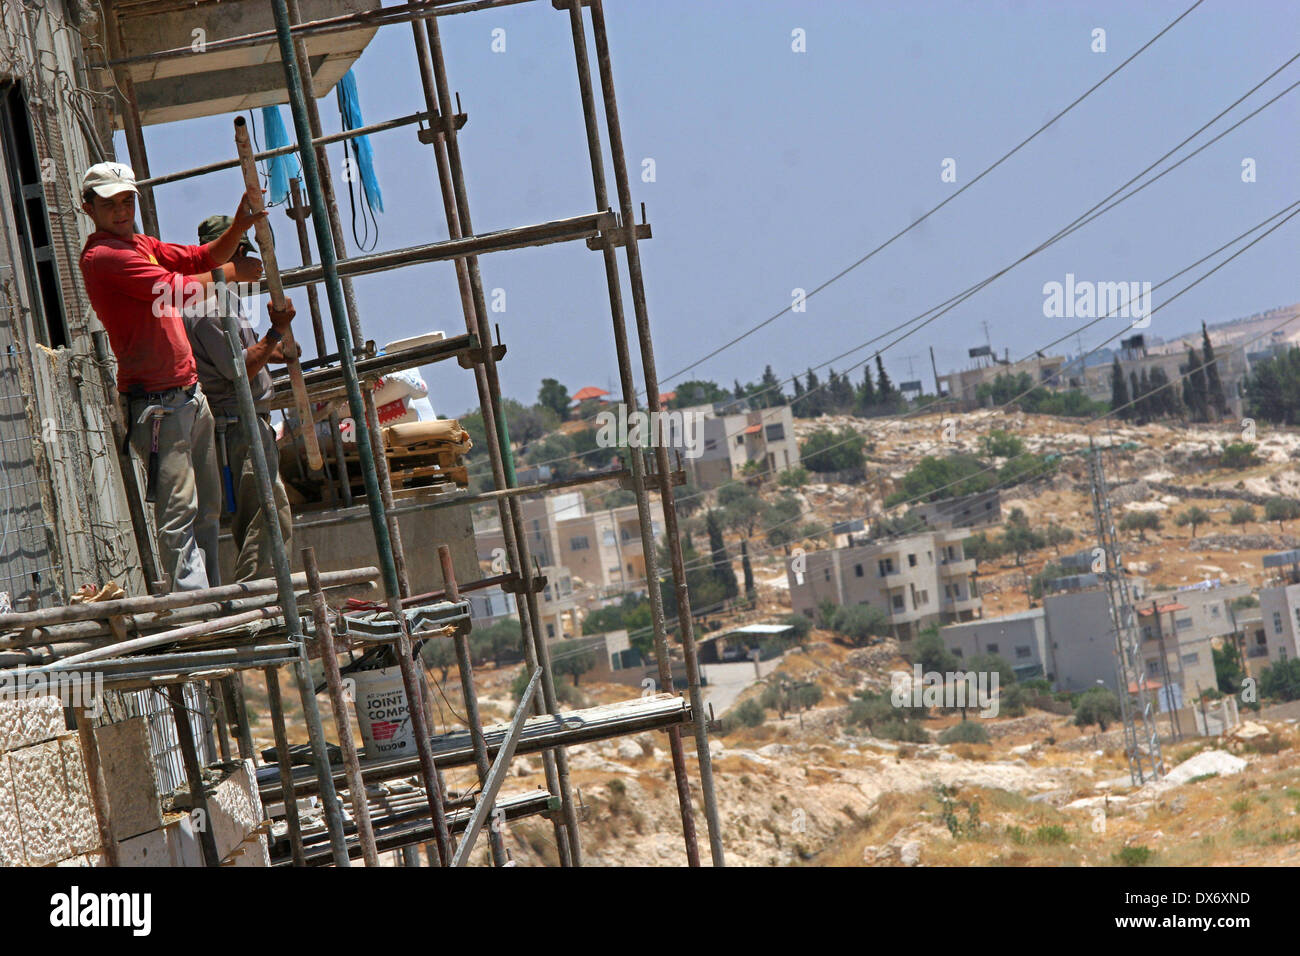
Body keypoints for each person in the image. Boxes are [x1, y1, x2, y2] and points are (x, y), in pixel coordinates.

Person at [77, 161, 263, 591]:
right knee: (179, 513)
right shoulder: (105, 256)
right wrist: (232, 274)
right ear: (89, 208)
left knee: (207, 509)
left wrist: (238, 227)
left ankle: (210, 598)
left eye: (127, 201)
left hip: (187, 395)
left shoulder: (139, 244)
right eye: (110, 204)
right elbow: (173, 290)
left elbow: (200, 257)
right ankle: (194, 610)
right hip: (157, 405)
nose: (122, 211)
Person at [183, 215, 295, 583]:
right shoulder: (208, 307)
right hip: (238, 425)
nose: (255, 263)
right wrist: (276, 330)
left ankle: (264, 594)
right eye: (244, 252)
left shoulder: (224, 300)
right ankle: (260, 598)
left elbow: (250, 351)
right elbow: (239, 370)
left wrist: (279, 346)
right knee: (265, 516)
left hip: (249, 422)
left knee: (263, 515)